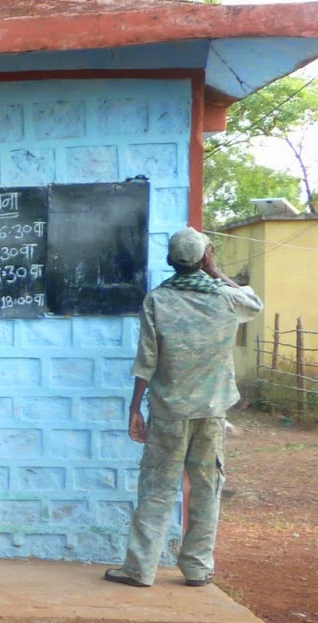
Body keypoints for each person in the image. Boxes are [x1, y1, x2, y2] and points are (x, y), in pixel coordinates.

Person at [104, 228, 262, 589]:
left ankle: (140, 569)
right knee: (206, 489)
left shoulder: (158, 300)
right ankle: (197, 567)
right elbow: (254, 304)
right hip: (211, 411)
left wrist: (134, 408)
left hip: (168, 412)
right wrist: (216, 271)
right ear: (205, 257)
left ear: (171, 260)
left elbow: (147, 361)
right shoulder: (226, 298)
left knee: (156, 488)